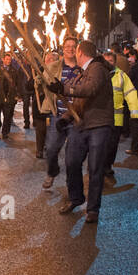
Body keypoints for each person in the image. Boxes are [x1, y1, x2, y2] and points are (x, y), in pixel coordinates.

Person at [47, 40, 114, 223]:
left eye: (76, 51)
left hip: (98, 125)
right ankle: (76, 197)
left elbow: (89, 90)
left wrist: (65, 88)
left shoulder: (97, 68)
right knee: (72, 161)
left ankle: (93, 209)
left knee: (95, 167)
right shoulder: (83, 72)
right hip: (82, 125)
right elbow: (78, 103)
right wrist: (65, 118)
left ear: (80, 52)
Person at [40, 40, 80, 191]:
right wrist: (33, 83)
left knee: (72, 156)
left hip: (76, 117)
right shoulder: (53, 67)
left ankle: (72, 187)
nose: (70, 49)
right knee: (50, 149)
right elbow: (40, 80)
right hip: (58, 115)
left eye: (73, 47)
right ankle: (52, 171)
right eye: (67, 47)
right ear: (62, 49)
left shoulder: (83, 67)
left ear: (78, 49)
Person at [102, 49, 138, 187]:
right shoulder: (97, 75)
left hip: (116, 120)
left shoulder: (121, 76)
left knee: (112, 146)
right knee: (100, 145)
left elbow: (131, 93)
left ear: (115, 62)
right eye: (106, 61)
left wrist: (135, 114)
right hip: (101, 119)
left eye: (111, 61)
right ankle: (99, 167)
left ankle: (107, 166)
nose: (108, 63)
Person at [32, 49, 60, 162]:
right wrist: (36, 81)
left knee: (50, 130)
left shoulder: (58, 72)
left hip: (52, 106)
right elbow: (29, 85)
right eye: (47, 59)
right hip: (40, 107)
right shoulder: (39, 70)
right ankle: (39, 149)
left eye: (51, 59)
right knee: (40, 129)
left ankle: (49, 148)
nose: (48, 61)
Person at [0, 51, 22, 137]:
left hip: (10, 96)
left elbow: (18, 83)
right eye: (7, 59)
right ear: (3, 60)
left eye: (10, 59)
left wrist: (18, 95)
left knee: (8, 116)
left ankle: (5, 131)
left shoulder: (14, 71)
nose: (9, 61)